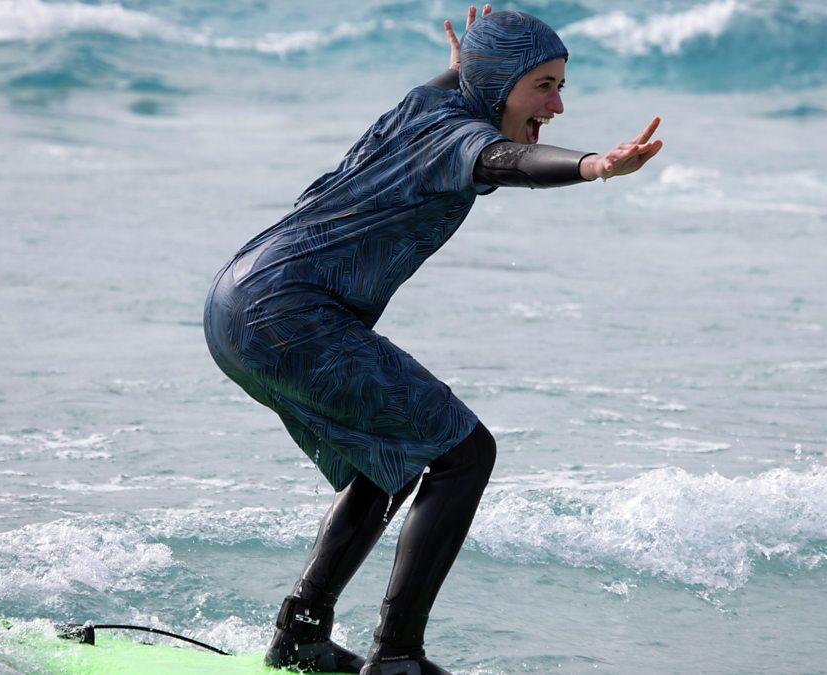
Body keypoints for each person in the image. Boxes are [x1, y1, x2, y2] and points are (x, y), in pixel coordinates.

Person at [203, 6, 662, 674]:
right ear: (498, 82)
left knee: (388, 459)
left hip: (236, 301)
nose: (559, 103)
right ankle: (398, 656)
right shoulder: (458, 138)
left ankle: (301, 634)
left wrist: (461, 64)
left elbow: (469, 101)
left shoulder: (423, 104)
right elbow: (510, 159)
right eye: (544, 85)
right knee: (463, 454)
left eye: (560, 84)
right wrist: (593, 165)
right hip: (290, 310)